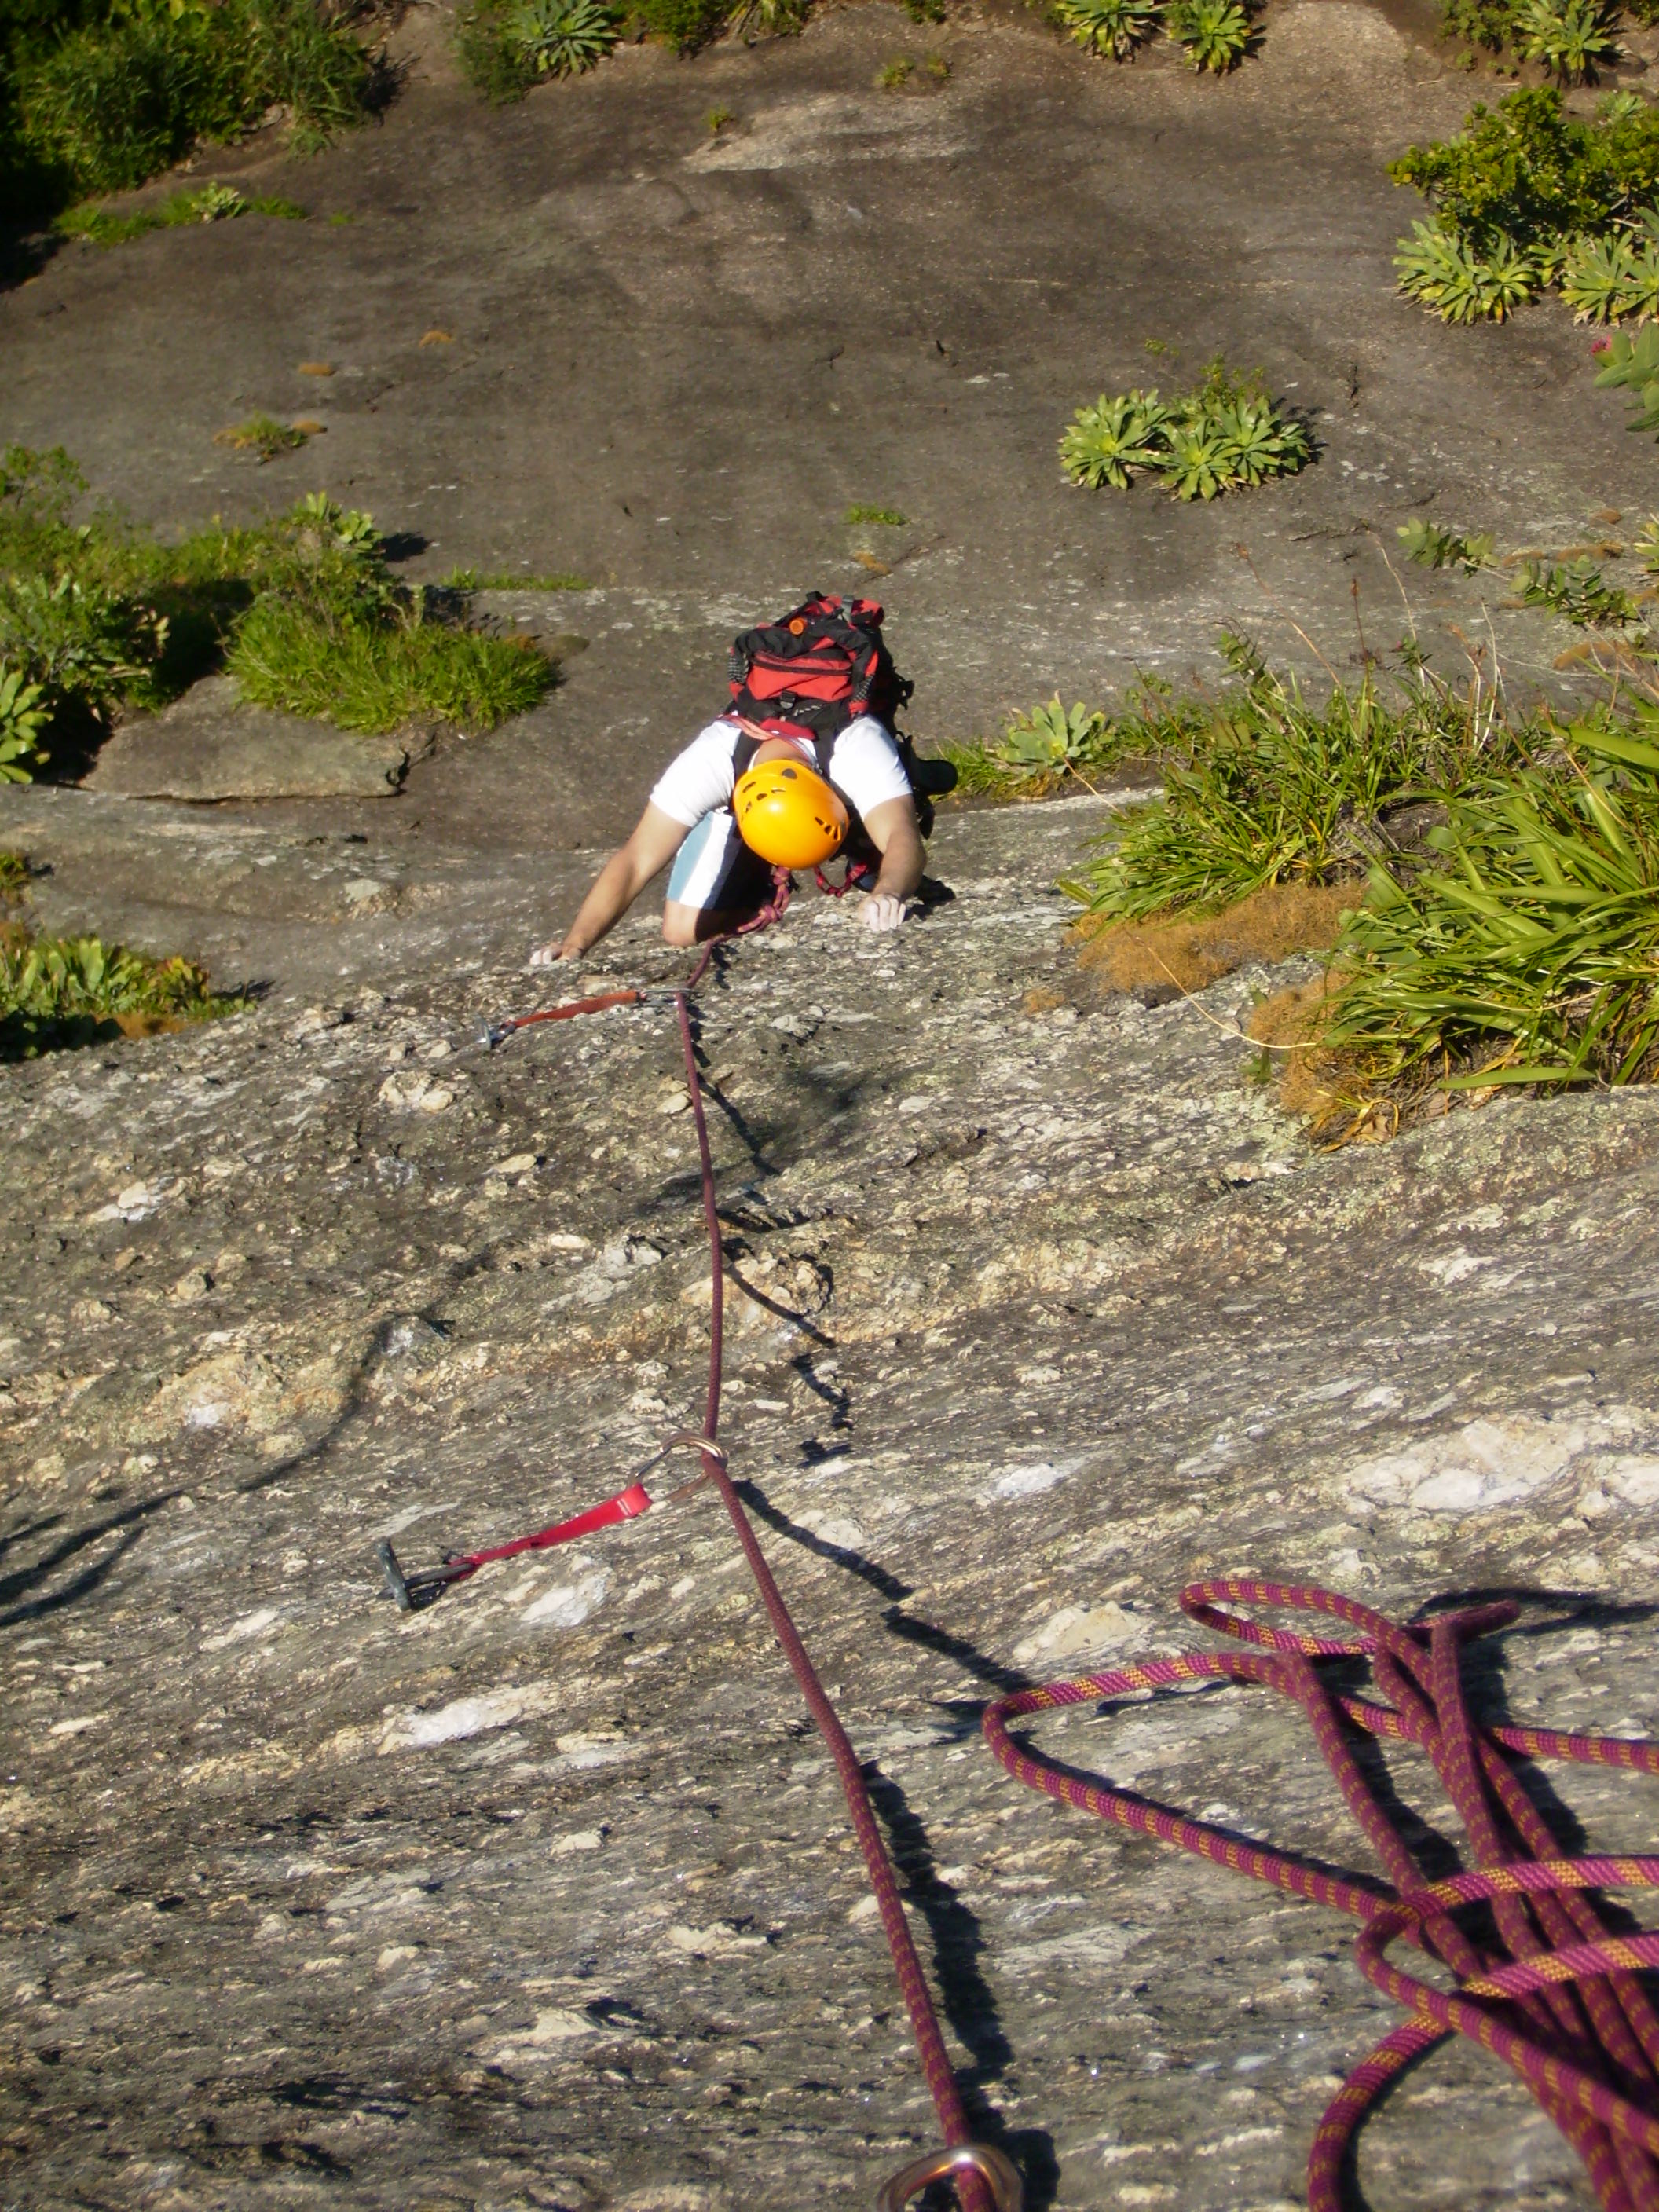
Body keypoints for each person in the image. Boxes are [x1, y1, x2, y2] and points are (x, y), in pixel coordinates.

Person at [529, 602, 927, 968]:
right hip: (745, 799)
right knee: (680, 931)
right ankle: (759, 884)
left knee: (888, 865)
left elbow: (902, 836)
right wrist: (576, 943)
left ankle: (867, 840)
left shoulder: (858, 746)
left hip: (842, 797)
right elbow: (636, 859)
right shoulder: (713, 759)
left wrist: (889, 892)